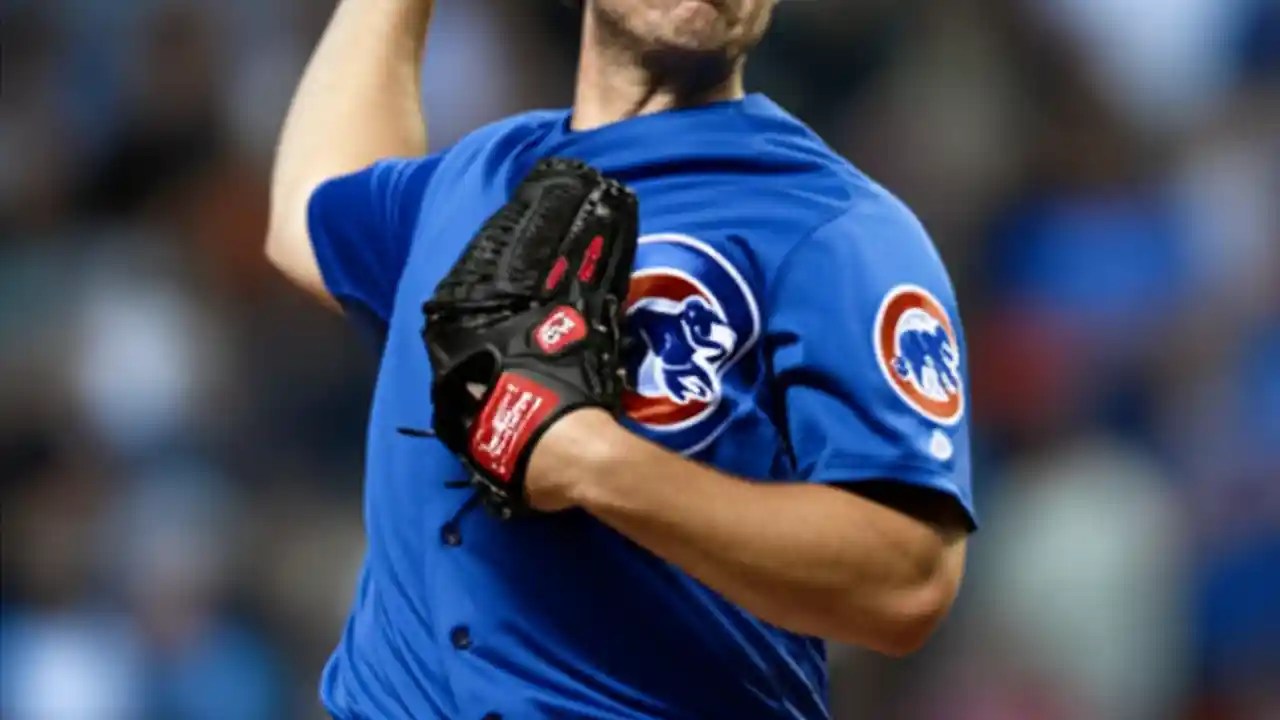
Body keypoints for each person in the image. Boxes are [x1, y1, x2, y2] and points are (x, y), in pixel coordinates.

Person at [265, 1, 975, 717]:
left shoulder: (835, 227)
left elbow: (907, 580)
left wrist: (597, 463)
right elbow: (306, 214)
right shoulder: (475, 179)